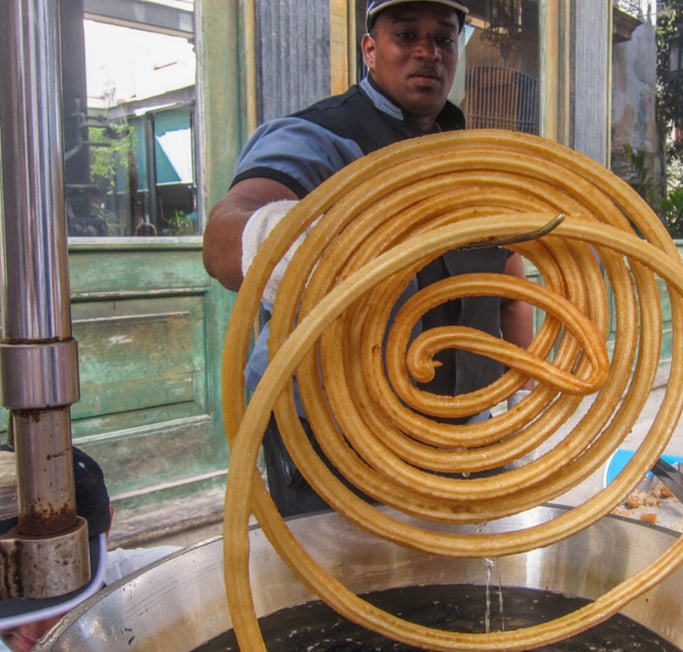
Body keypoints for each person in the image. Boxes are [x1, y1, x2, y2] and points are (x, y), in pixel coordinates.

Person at [202, 0, 534, 516]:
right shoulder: (320, 137)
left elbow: (512, 279)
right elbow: (224, 239)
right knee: (338, 576)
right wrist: (287, 242)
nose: (427, 53)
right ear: (370, 50)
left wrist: (523, 389)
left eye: (444, 39)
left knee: (454, 573)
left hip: (458, 424)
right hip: (329, 431)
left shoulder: (469, 158)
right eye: (407, 35)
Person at [0, 447, 180, 651]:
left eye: (53, 590)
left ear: (107, 529)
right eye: (6, 603)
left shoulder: (180, 586)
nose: (29, 632)